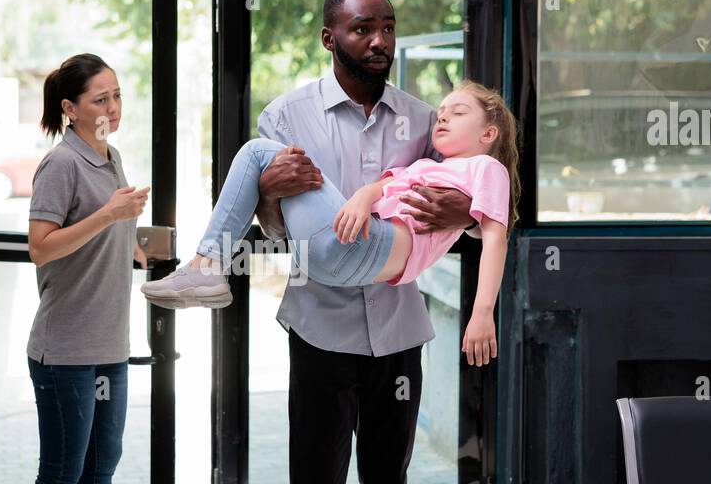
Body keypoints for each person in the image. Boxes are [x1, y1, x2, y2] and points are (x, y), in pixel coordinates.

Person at [161, 0, 514, 484]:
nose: (379, 40)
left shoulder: (425, 119)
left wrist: (460, 214)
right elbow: (274, 226)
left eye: (387, 28)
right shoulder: (287, 113)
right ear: (330, 38)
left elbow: (473, 206)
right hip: (319, 326)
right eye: (362, 29)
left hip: (397, 328)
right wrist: (267, 199)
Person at [140, 80, 514, 318]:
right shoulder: (426, 167)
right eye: (441, 113)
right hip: (332, 266)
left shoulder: (485, 168)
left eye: (458, 113)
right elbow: (385, 186)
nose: (442, 118)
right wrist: (363, 197)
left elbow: (496, 238)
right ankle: (207, 266)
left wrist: (482, 313)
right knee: (267, 161)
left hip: (367, 251)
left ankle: (207, 264)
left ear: (488, 133)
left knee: (256, 151)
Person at [21, 52, 150, 484]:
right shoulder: (60, 164)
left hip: (108, 345)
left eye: (117, 96)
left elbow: (101, 234)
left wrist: (137, 243)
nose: (112, 108)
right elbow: (42, 247)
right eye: (100, 99)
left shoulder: (111, 157)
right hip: (64, 351)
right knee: (61, 471)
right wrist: (111, 216)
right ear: (70, 109)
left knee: (101, 465)